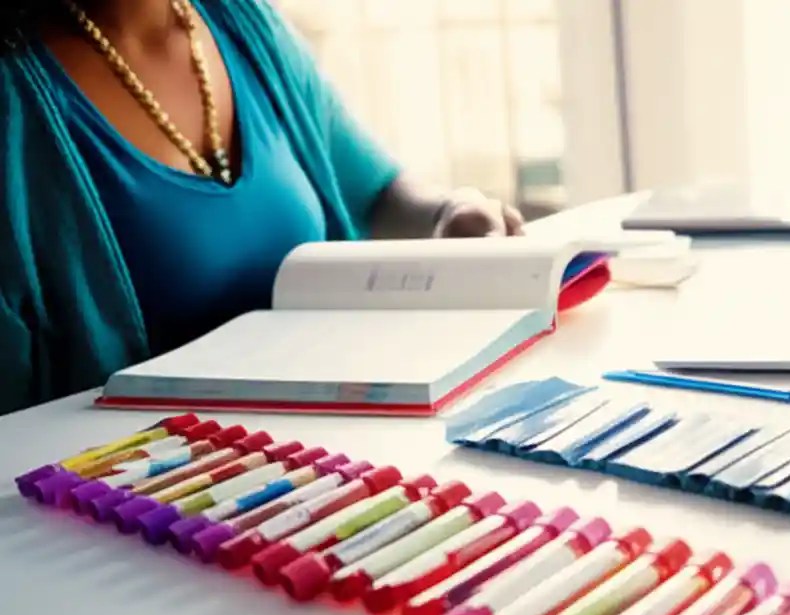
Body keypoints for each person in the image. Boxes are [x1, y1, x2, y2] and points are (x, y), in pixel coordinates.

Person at [0, 0, 524, 414]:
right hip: (139, 499)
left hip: (321, 451)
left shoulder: (242, 21)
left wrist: (448, 213)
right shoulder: (16, 94)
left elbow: (376, 191)